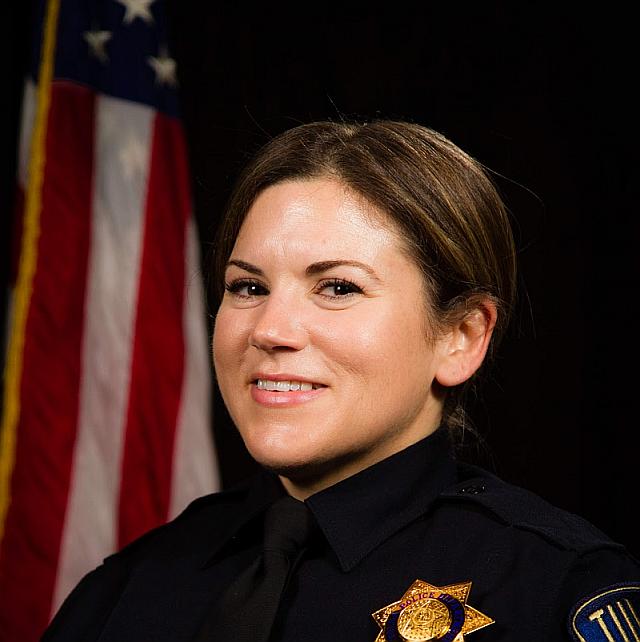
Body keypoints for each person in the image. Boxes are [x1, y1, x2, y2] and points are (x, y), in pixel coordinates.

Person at [43, 121, 639, 642]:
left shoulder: (554, 590)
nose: (270, 330)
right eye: (248, 287)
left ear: (460, 335)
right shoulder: (124, 590)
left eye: (337, 288)